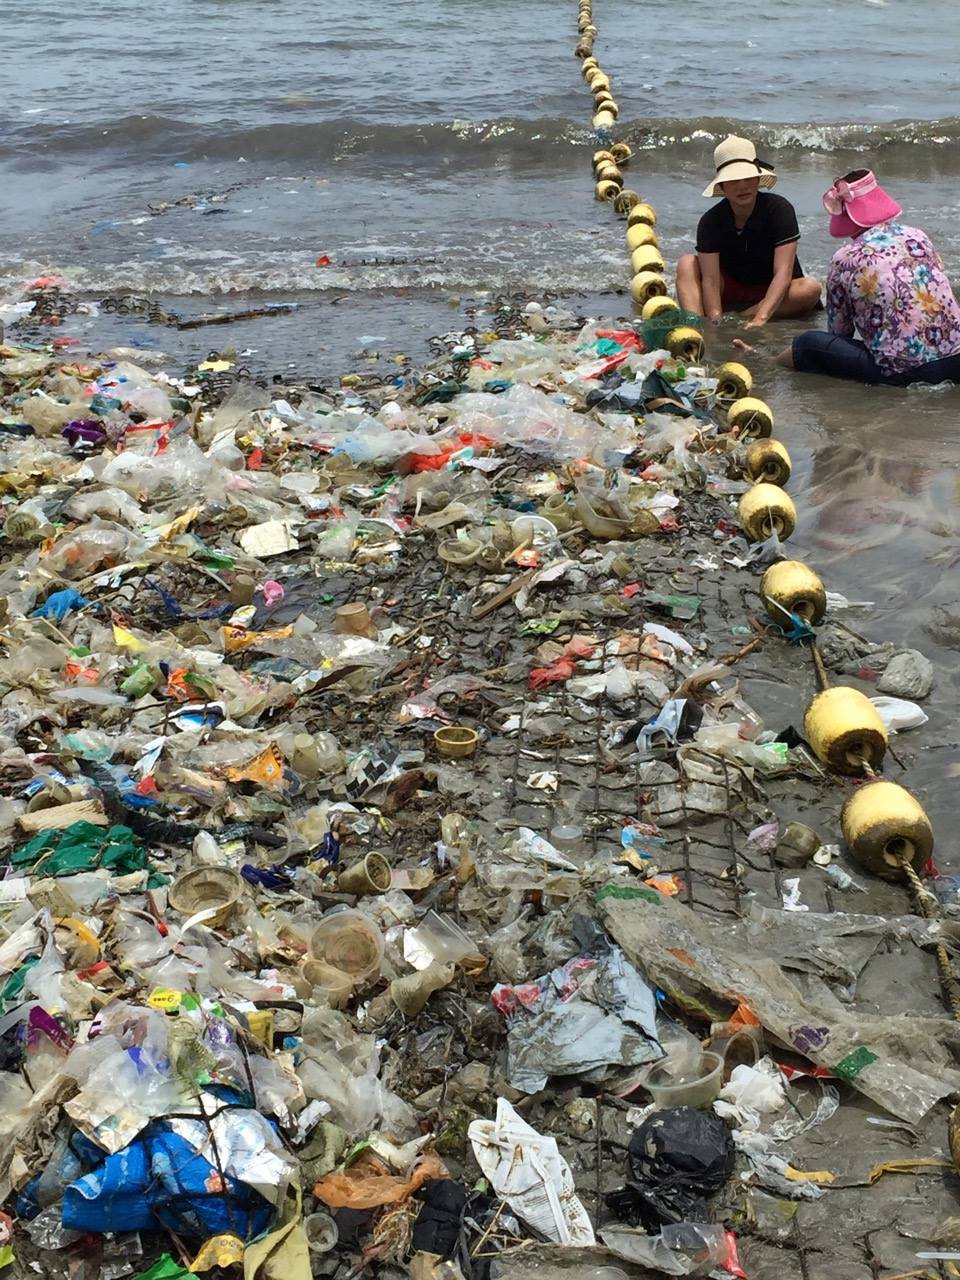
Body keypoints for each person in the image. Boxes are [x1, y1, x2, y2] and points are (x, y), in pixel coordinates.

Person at [780, 169, 960, 385]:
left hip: (905, 372)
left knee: (806, 344)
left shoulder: (844, 259)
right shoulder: (917, 235)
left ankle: (765, 365)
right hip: (956, 360)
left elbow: (840, 333)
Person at [677, 135, 821, 329]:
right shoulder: (710, 221)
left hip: (774, 292)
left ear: (758, 179)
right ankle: (695, 328)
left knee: (810, 289)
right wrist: (716, 321)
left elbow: (783, 273)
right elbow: (710, 281)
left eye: (748, 178)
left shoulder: (779, 209)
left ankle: (744, 316)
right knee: (687, 263)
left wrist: (759, 319)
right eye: (734, 180)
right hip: (730, 288)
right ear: (722, 186)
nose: (742, 186)